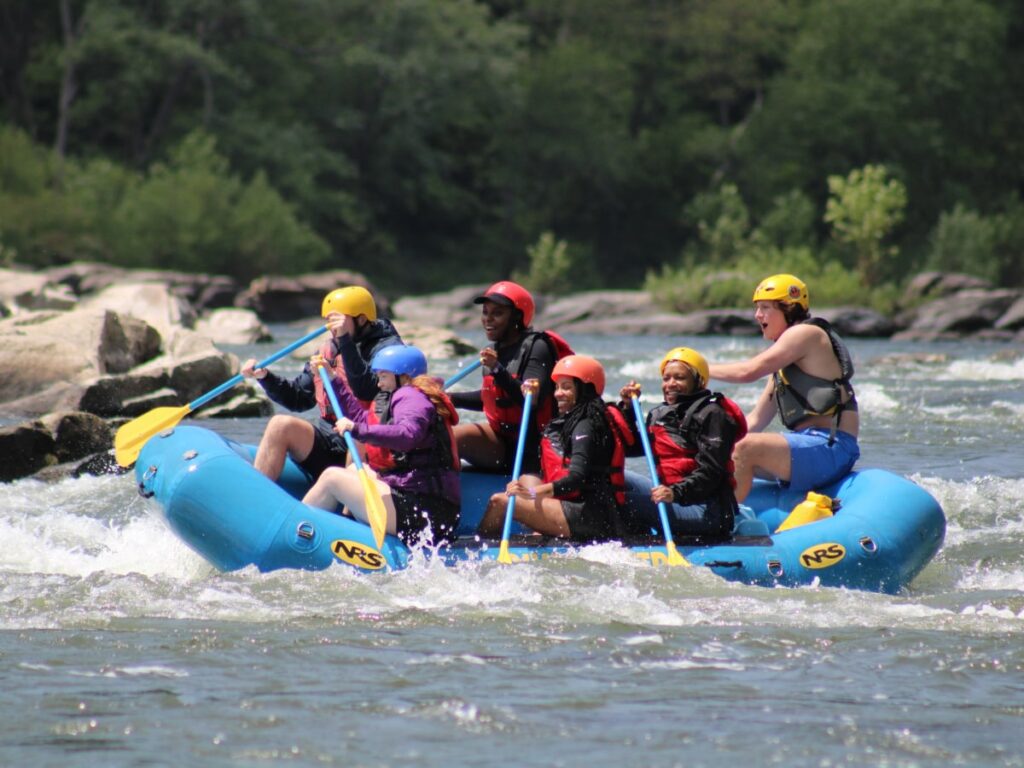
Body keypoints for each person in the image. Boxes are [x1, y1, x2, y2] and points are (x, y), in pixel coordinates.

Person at [707, 274, 859, 501]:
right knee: (725, 449)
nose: (758, 315)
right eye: (757, 308)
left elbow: (748, 372)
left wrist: (699, 369)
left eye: (766, 307)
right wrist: (717, 447)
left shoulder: (806, 334)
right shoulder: (782, 367)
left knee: (745, 448)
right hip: (807, 446)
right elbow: (756, 420)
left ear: (789, 309)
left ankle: (722, 525)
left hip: (831, 447)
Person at [303, 345, 461, 545]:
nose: (379, 384)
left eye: (384, 376)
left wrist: (357, 429)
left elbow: (408, 434)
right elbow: (362, 419)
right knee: (354, 470)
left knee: (331, 477)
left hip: (425, 513)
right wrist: (333, 379)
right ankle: (347, 529)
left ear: (403, 376)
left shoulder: (412, 397)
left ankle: (295, 531)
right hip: (424, 506)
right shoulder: (402, 395)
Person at [241, 286, 402, 481]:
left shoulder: (388, 350)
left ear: (361, 320)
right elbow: (298, 398)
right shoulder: (330, 349)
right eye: (330, 321)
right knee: (280, 424)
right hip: (330, 441)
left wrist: (345, 341)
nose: (333, 328)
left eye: (339, 321)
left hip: (366, 449)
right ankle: (259, 495)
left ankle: (347, 507)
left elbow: (365, 390)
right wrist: (265, 377)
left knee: (358, 438)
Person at [476, 355, 632, 541]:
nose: (558, 393)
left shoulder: (586, 424)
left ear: (584, 388)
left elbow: (576, 478)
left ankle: (480, 552)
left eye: (566, 387)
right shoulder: (587, 417)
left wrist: (531, 493)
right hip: (591, 512)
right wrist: (528, 395)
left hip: (590, 516)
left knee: (499, 502)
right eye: (557, 387)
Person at [617, 347, 747, 541]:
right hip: (673, 497)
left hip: (706, 511)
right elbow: (631, 446)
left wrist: (675, 493)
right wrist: (627, 408)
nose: (670, 384)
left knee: (621, 501)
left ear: (699, 381)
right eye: (666, 378)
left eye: (679, 378)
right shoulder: (660, 413)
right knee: (614, 479)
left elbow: (712, 471)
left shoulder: (712, 414)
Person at [448, 280, 570, 474]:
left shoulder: (537, 347)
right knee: (446, 437)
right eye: (485, 312)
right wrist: (451, 399)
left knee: (457, 438)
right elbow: (493, 397)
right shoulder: (493, 351)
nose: (488, 319)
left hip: (531, 448)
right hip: (502, 440)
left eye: (497, 313)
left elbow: (530, 401)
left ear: (517, 317)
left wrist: (497, 369)